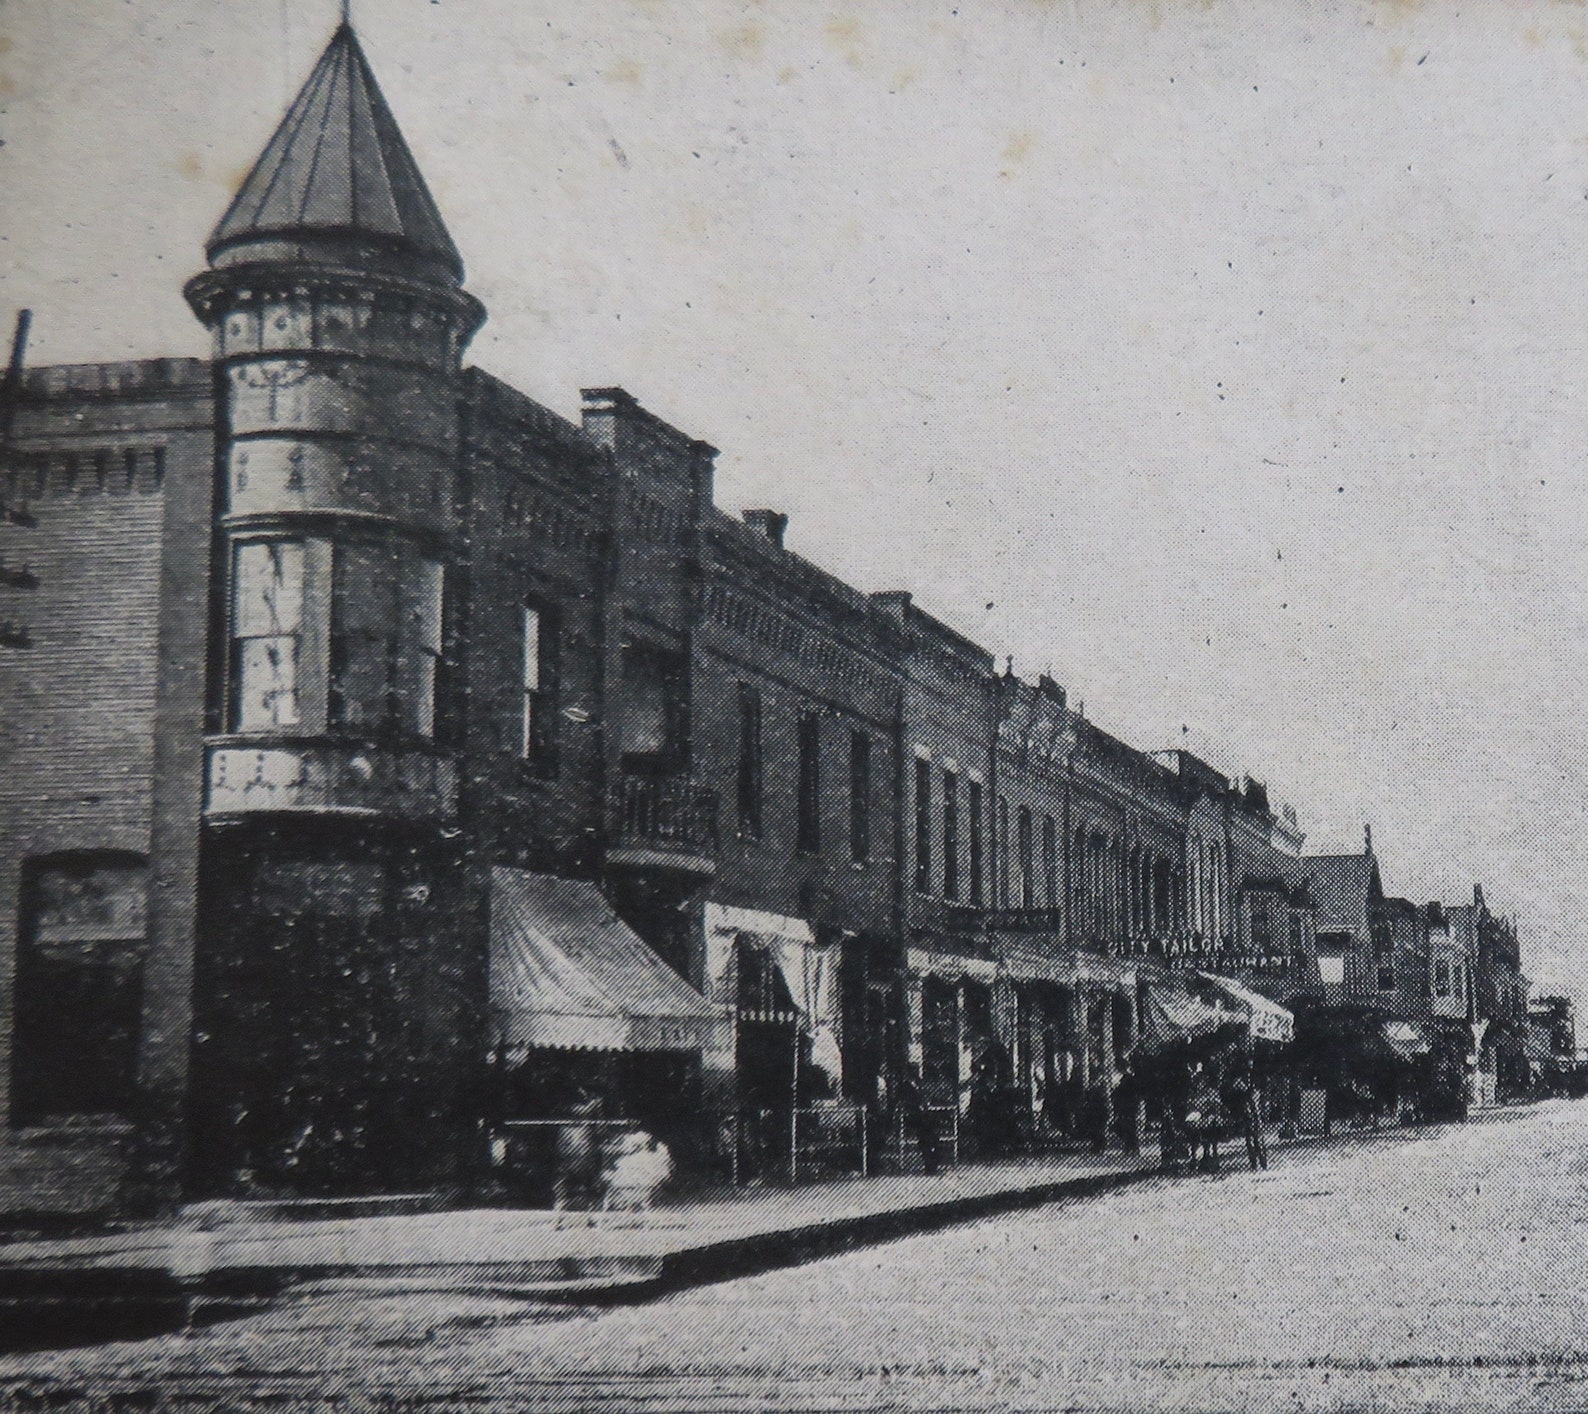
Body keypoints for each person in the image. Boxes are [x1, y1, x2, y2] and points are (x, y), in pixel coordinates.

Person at [553, 1089, 605, 1227]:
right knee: (563, 1193)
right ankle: (558, 1220)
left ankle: (589, 1219)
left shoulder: (572, 1128)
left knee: (590, 1191)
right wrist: (595, 1105)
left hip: (579, 1162)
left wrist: (596, 1107)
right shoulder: (570, 1128)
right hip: (574, 1162)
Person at [1225, 1055, 1268, 1171]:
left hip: (1253, 1111)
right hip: (1247, 1110)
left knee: (1257, 1139)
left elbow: (1257, 1092)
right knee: (1250, 1139)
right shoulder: (1242, 1078)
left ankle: (1262, 1162)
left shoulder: (1254, 1077)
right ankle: (1254, 1163)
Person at [898, 1063, 940, 1175]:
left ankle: (932, 1164)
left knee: (932, 1137)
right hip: (912, 1116)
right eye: (913, 1072)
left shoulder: (921, 1084)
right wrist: (916, 1106)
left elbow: (927, 1096)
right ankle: (929, 1164)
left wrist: (927, 1104)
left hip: (924, 1117)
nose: (915, 1074)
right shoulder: (904, 1086)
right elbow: (903, 1101)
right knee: (926, 1137)